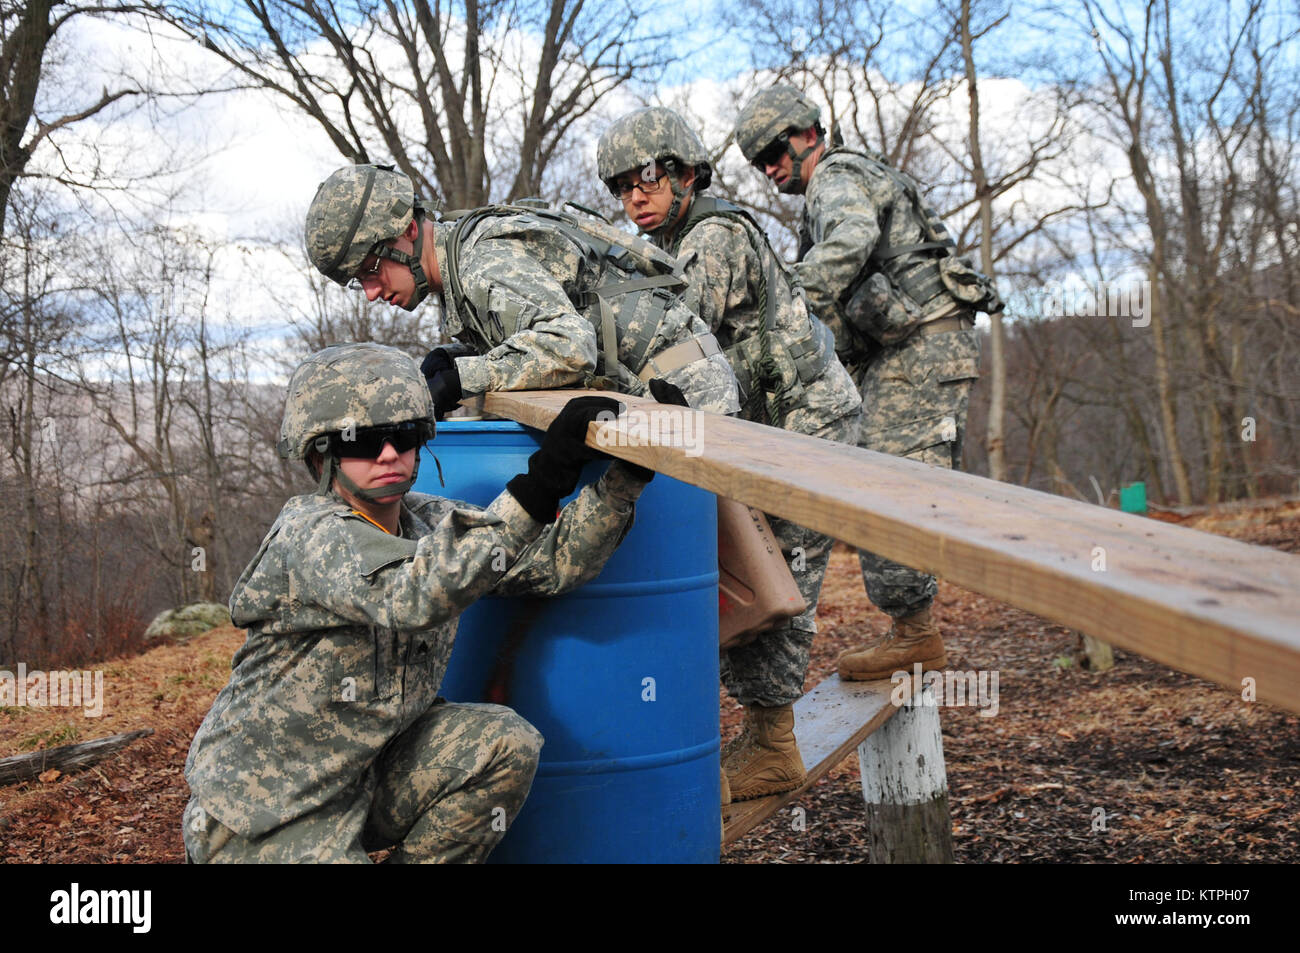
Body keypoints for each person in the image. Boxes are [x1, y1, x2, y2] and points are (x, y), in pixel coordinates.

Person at [183, 342, 652, 863]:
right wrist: (543, 480)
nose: (388, 455)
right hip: (265, 811)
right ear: (322, 454)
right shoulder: (309, 536)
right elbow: (416, 594)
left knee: (503, 745)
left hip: (367, 774)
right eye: (361, 441)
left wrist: (624, 480)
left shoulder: (426, 520)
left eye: (402, 437)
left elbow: (551, 563)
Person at [595, 107, 862, 801]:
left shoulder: (711, 237)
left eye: (647, 178)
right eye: (621, 187)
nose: (635, 196)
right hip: (767, 427)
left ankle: (773, 746)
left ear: (685, 172)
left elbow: (673, 337)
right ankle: (759, 734)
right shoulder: (667, 243)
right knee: (743, 571)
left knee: (778, 578)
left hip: (810, 425)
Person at [735, 86, 998, 682]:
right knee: (878, 471)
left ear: (808, 134)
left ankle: (914, 634)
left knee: (886, 477)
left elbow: (849, 243)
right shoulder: (843, 179)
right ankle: (913, 629)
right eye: (760, 163)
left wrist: (783, 304)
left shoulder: (835, 177)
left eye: (776, 152)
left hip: (925, 346)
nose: (773, 169)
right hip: (912, 347)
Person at [304, 163, 741, 417]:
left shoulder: (480, 261)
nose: (371, 292)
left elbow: (571, 346)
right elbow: (532, 333)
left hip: (687, 391)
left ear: (409, 231)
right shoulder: (462, 264)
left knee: (725, 567)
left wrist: (463, 379)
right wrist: (457, 360)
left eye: (371, 269)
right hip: (664, 392)